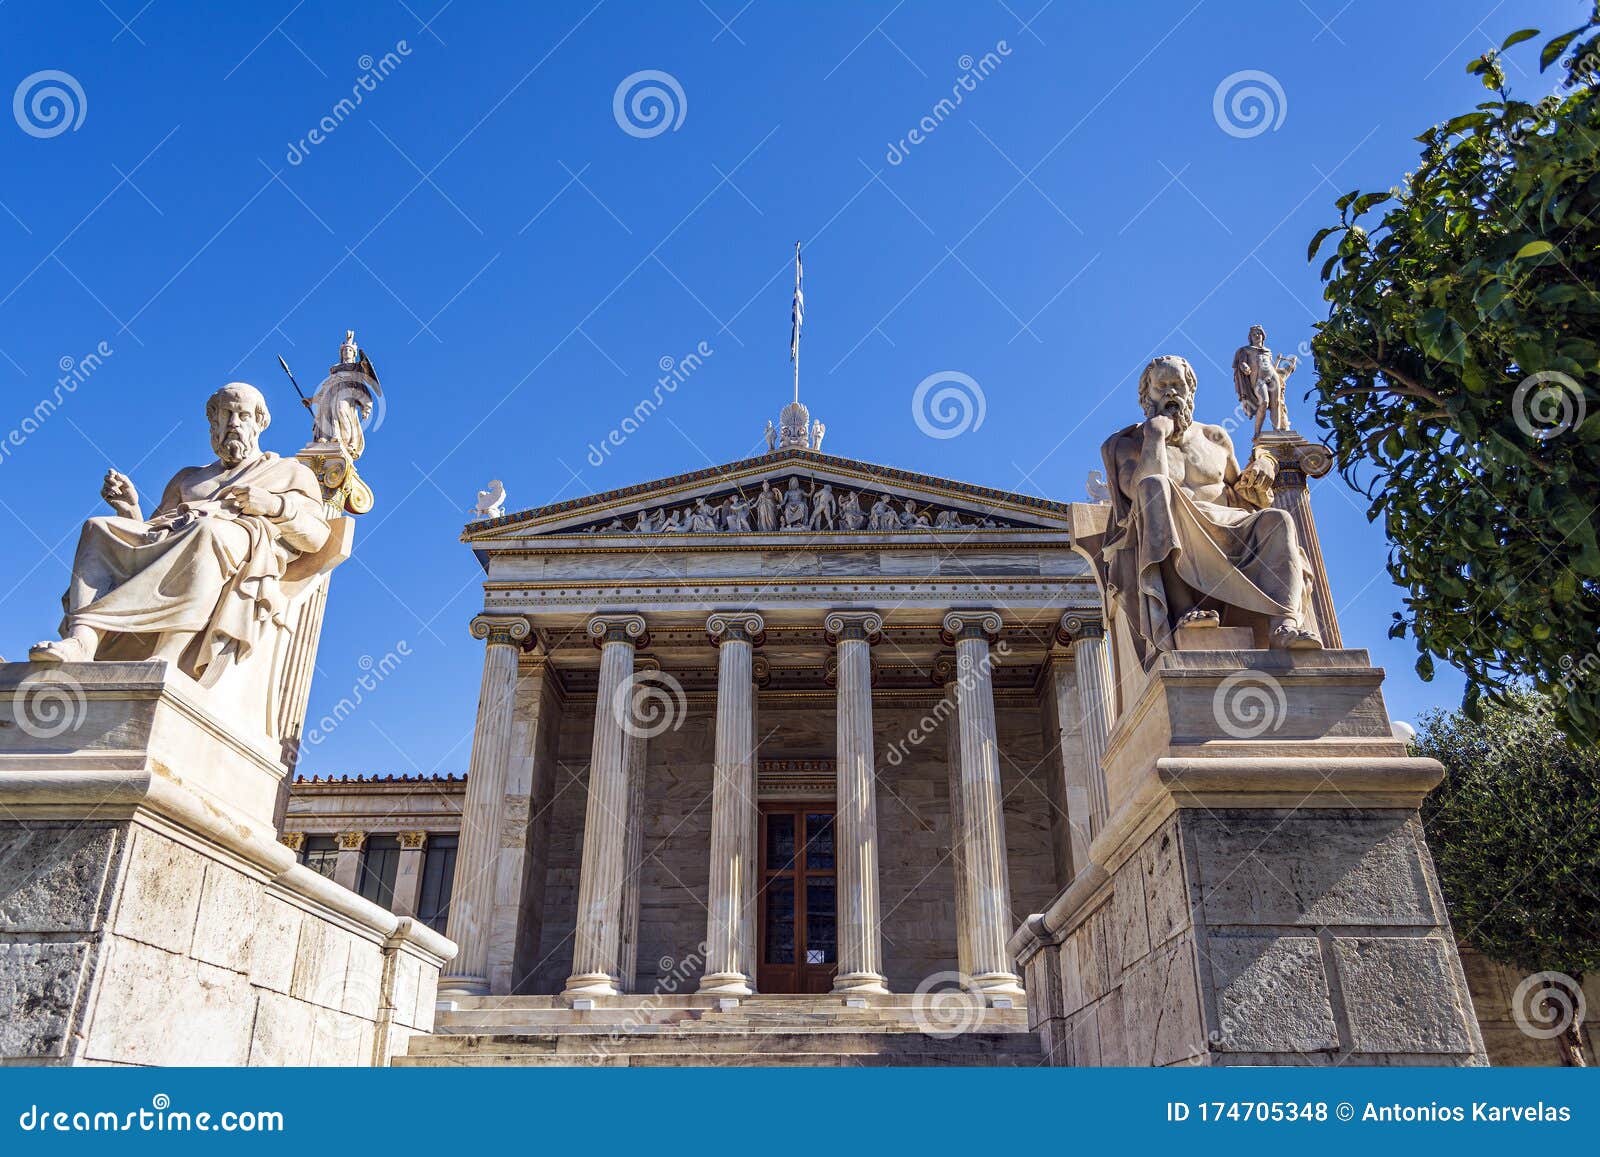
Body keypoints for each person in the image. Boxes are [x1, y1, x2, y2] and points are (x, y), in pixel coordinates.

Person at [30, 383, 332, 681]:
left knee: (206, 531)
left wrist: (274, 505)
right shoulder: (188, 478)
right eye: (225, 415)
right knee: (98, 528)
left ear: (260, 423)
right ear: (213, 422)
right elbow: (150, 538)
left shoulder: (288, 472)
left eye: (243, 415)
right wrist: (129, 510)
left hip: (228, 542)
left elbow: (317, 535)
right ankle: (82, 640)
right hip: (181, 536)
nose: (234, 423)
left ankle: (169, 653)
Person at [1100, 355, 1319, 659]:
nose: (1170, 394)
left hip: (1226, 524)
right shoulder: (1128, 444)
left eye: (1177, 385)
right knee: (1155, 488)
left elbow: (1242, 490)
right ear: (1146, 396)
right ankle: (1181, 613)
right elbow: (1140, 493)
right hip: (1173, 527)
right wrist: (1155, 436)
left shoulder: (1215, 437)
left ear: (1190, 391)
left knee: (1278, 519)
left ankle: (1283, 625)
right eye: (1161, 386)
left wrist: (1265, 466)